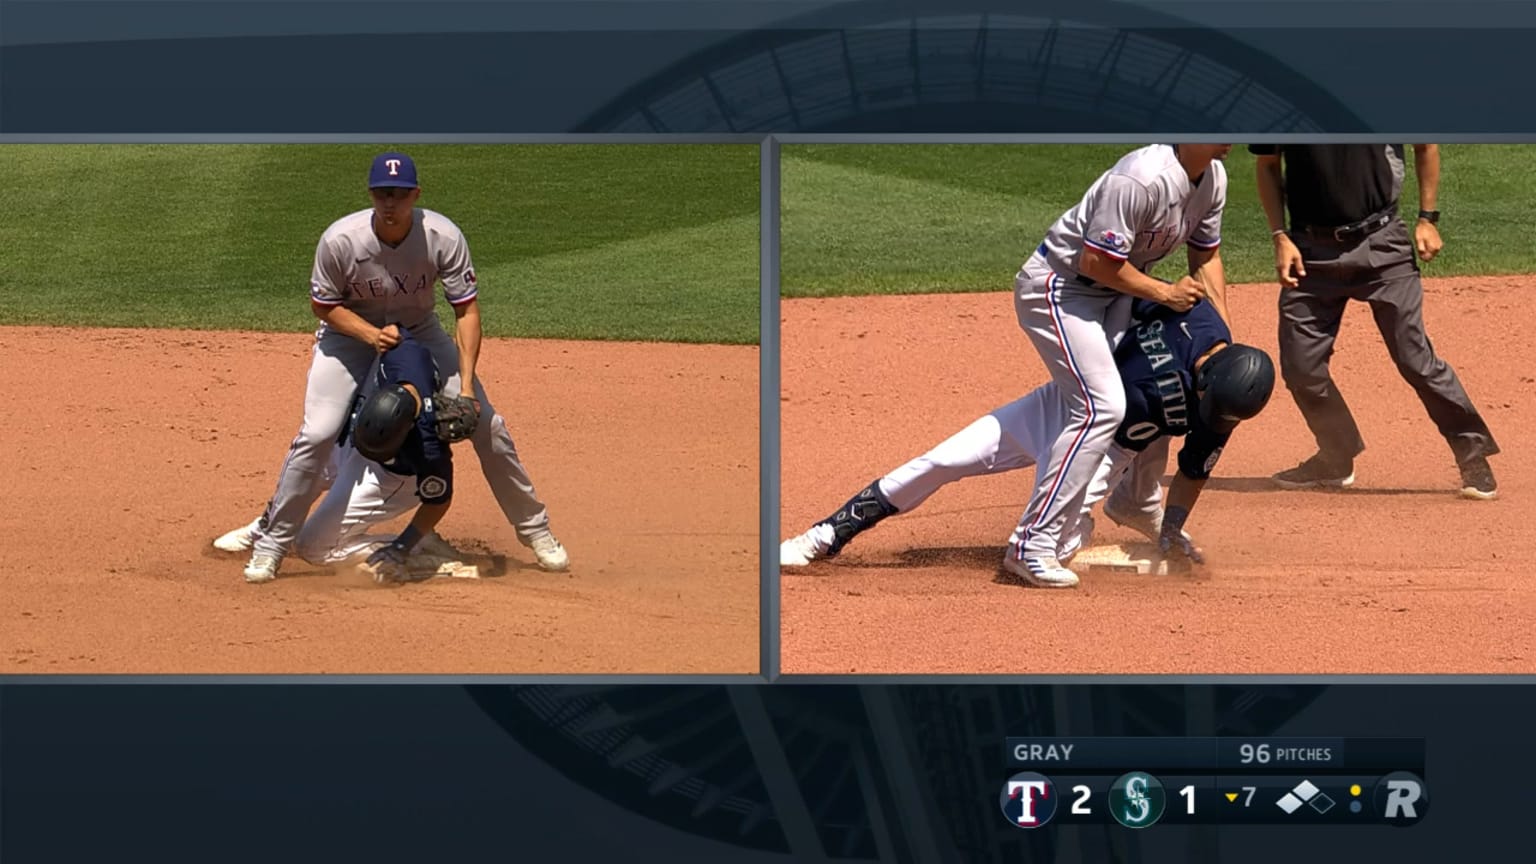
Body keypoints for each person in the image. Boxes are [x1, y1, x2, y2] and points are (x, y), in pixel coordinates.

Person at [217, 152, 569, 582]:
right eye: (382, 193)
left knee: (488, 426)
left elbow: (466, 311)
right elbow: (323, 306)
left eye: (400, 194)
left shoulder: (442, 236)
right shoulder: (340, 240)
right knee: (319, 433)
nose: (390, 202)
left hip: (419, 331)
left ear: (415, 195)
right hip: (348, 336)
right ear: (370, 194)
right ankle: (271, 542)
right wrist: (370, 335)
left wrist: (466, 388)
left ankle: (536, 530)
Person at [780, 297, 1276, 588]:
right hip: (1060, 403)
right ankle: (824, 536)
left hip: (1105, 452)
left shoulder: (1221, 409)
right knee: (942, 460)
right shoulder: (1190, 315)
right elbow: (1114, 292)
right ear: (1211, 370)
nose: (1211, 419)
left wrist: (1172, 527)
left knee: (1056, 548)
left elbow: (1194, 469)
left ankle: (1100, 527)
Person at [1004, 143, 1231, 586]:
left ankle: (1137, 501)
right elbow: (1096, 262)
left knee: (1168, 381)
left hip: (1119, 296)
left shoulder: (1215, 178)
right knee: (1105, 406)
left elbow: (1206, 256)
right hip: (1066, 289)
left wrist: (1220, 343)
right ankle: (1037, 540)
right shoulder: (1140, 178)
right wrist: (1165, 294)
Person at [1250, 144, 1499, 499]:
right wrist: (1279, 236)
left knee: (1415, 359)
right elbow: (1267, 164)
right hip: (1309, 251)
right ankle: (1336, 456)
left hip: (1382, 243)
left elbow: (1426, 145)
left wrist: (1427, 218)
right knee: (1301, 368)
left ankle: (1472, 454)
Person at [289, 329, 467, 583]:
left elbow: (439, 501)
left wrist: (401, 547)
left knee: (312, 547)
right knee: (309, 463)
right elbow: (397, 330)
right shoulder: (401, 359)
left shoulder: (429, 451)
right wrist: (386, 331)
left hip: (393, 480)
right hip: (363, 451)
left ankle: (418, 546)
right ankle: (265, 527)